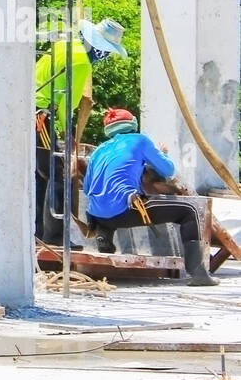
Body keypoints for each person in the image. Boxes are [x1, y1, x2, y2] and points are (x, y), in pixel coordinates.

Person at [83, 107, 217, 286]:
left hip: (96, 215)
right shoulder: (140, 140)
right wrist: (162, 154)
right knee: (189, 210)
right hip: (125, 210)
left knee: (110, 201)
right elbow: (168, 170)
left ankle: (104, 233)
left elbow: (87, 188)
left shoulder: (99, 151)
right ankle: (198, 273)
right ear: (132, 124)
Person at [34, 16, 128, 243]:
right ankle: (55, 236)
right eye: (107, 51)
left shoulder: (64, 45)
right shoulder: (81, 62)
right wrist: (69, 135)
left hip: (35, 109)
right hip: (42, 115)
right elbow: (68, 104)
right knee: (59, 173)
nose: (105, 56)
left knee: (43, 174)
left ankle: (39, 232)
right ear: (99, 48)